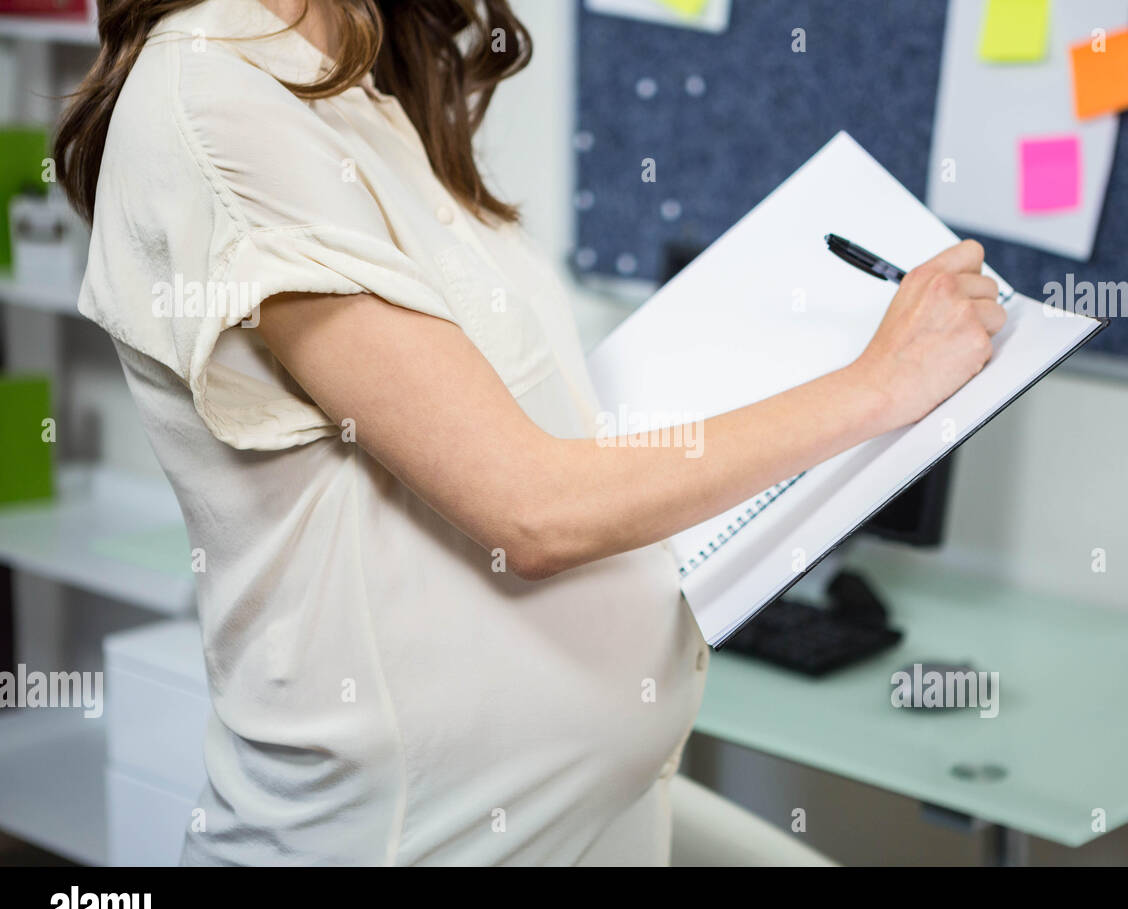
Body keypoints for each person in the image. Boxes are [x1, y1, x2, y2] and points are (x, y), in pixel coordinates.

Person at [56, 0, 1005, 865]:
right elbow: (531, 508)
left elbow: (522, 433)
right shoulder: (215, 95)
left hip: (583, 824)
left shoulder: (366, 83)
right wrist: (876, 386)